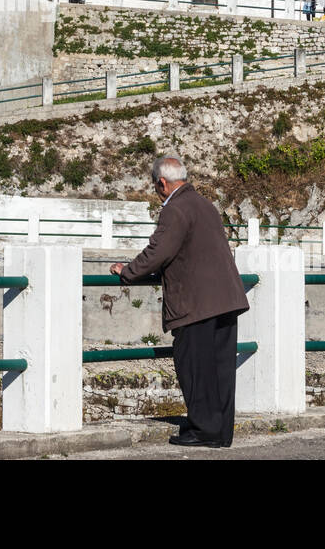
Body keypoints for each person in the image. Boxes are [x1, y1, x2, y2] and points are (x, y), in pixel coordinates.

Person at [109, 156, 249, 448]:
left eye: (154, 185)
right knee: (220, 367)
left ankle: (203, 430)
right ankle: (220, 432)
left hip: (196, 302)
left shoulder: (175, 209)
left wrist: (128, 272)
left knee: (195, 367)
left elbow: (159, 250)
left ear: (161, 182)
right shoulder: (204, 204)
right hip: (225, 298)